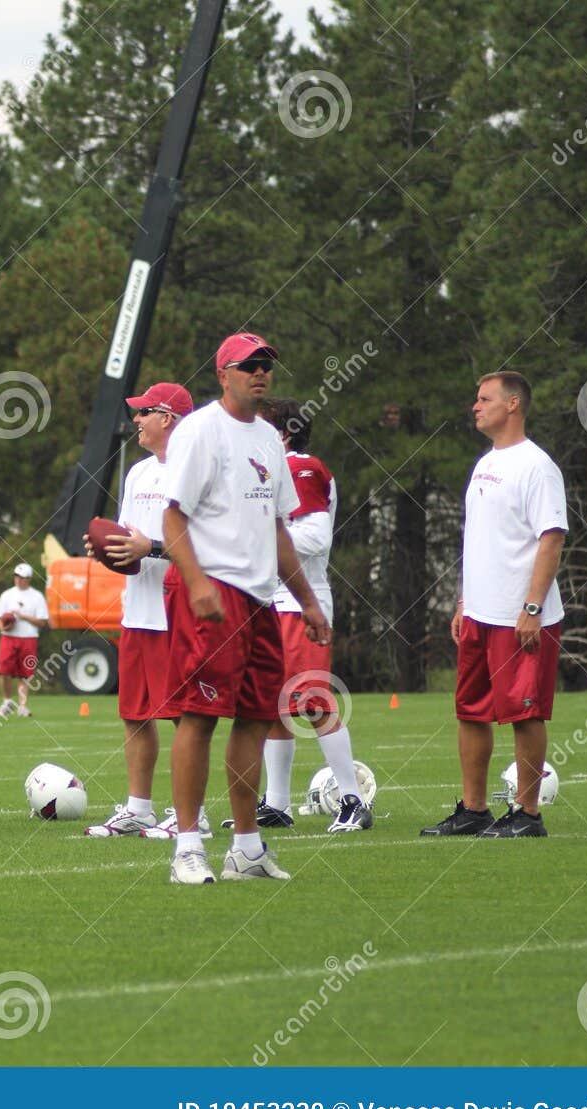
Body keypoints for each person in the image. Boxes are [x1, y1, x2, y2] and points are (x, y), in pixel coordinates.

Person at [160, 334, 330, 884]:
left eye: (267, 366)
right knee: (201, 715)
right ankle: (187, 845)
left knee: (257, 718)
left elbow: (278, 528)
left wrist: (306, 601)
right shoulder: (200, 431)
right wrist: (196, 583)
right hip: (213, 590)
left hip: (260, 597)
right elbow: (173, 517)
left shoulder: (269, 441)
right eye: (250, 366)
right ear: (223, 374)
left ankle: (247, 847)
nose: (261, 373)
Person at [423, 371, 566, 838]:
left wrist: (532, 608)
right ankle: (474, 809)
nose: (475, 406)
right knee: (471, 710)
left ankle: (527, 815)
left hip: (520, 615)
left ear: (513, 405)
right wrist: (465, 601)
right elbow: (482, 541)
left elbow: (551, 538)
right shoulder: (486, 462)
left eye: (484, 399)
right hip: (481, 614)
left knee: (525, 712)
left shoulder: (536, 465)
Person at [83, 382, 212, 838]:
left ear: (168, 418)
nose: (135, 421)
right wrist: (108, 549)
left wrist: (152, 546)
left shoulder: (196, 468)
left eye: (144, 413)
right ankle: (139, 806)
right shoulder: (138, 473)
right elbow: (128, 539)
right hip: (138, 606)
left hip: (177, 607)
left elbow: (205, 544)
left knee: (183, 714)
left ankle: (192, 814)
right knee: (135, 712)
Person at [256, 397, 372, 834]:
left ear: (283, 432)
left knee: (313, 701)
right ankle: (277, 804)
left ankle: (353, 799)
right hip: (274, 600)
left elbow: (316, 537)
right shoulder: (274, 470)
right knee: (273, 708)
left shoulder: (300, 466)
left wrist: (258, 535)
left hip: (300, 602)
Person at [0, 563, 48, 718]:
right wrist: (5, 626)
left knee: (25, 674)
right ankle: (6, 702)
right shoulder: (6, 595)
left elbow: (42, 622)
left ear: (28, 579)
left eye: (23, 578)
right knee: (3, 670)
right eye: (17, 576)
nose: (19, 580)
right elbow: (0, 619)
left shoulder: (37, 596)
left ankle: (22, 706)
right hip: (9, 638)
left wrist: (23, 616)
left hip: (29, 638)